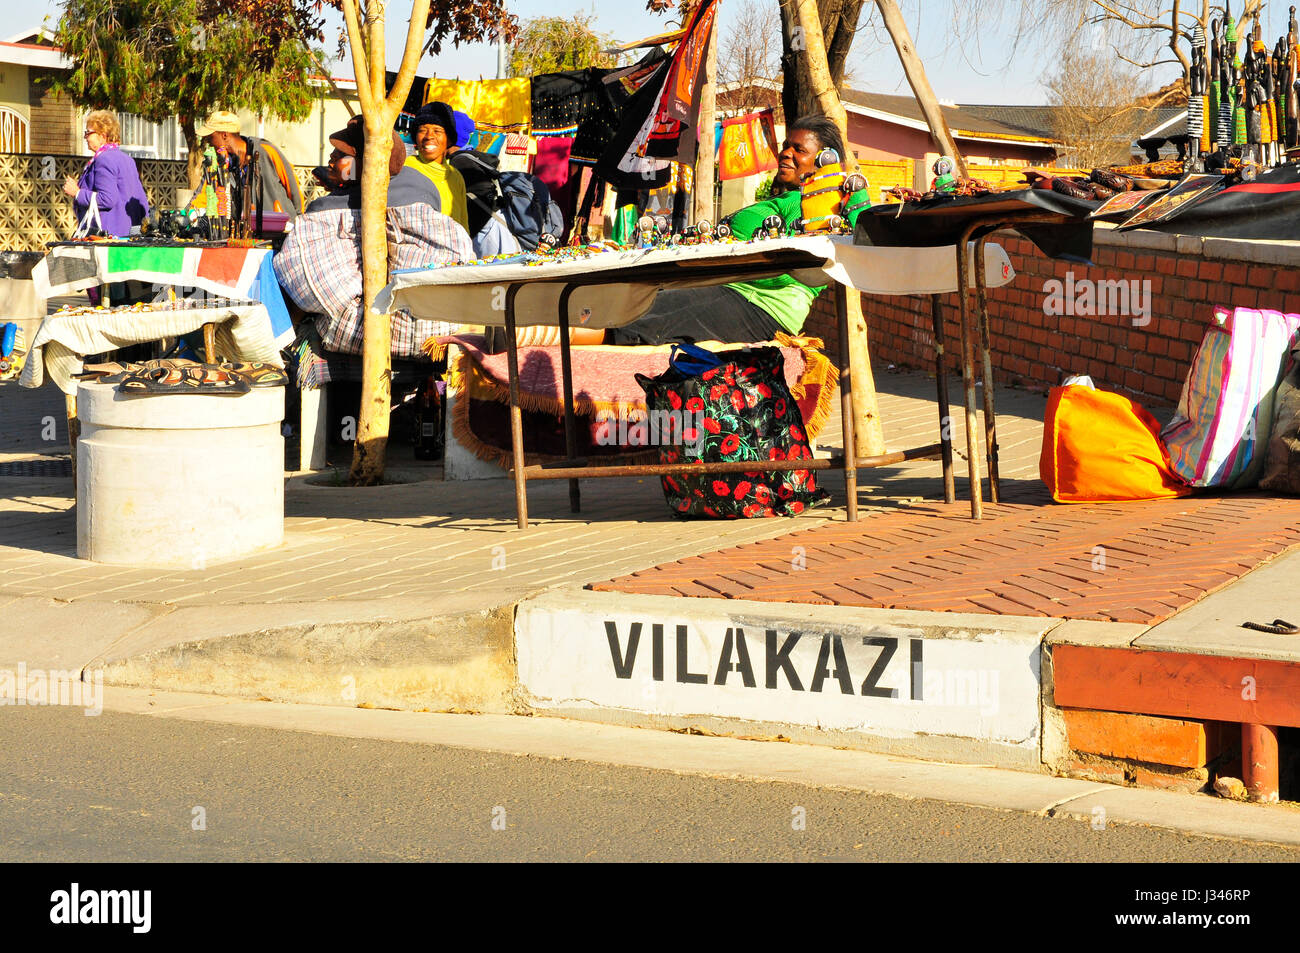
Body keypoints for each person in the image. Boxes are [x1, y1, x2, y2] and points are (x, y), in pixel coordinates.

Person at [607, 115, 872, 345]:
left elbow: (797, 269)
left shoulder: (819, 203)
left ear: (825, 159)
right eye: (785, 146)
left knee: (630, 320)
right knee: (625, 304)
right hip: (731, 289)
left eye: (799, 149)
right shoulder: (783, 199)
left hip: (760, 305)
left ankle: (566, 341)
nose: (786, 153)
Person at [274, 117, 472, 358]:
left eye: (339, 156)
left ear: (365, 163)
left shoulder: (328, 209)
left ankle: (279, 349)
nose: (331, 161)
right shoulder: (421, 185)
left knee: (288, 278)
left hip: (360, 327)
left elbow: (304, 280)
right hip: (431, 327)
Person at [305, 116, 441, 214]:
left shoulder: (324, 208)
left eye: (342, 153)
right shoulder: (420, 182)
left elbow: (322, 206)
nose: (332, 156)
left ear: (369, 162)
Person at [197, 110, 303, 226]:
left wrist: (300, 222)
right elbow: (202, 196)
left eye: (210, 138)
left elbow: (294, 187)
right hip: (250, 234)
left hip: (282, 230)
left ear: (224, 135)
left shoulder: (266, 150)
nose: (208, 143)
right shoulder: (219, 164)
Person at [62, 110, 149, 238]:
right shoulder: (127, 159)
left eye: (88, 133)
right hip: (127, 236)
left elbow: (107, 199)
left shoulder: (104, 159)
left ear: (102, 136)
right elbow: (141, 200)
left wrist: (77, 193)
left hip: (107, 238)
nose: (85, 137)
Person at [404, 101, 469, 231]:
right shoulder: (405, 169)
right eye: (422, 130)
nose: (429, 136)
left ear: (449, 139)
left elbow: (463, 224)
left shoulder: (455, 177)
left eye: (437, 131)